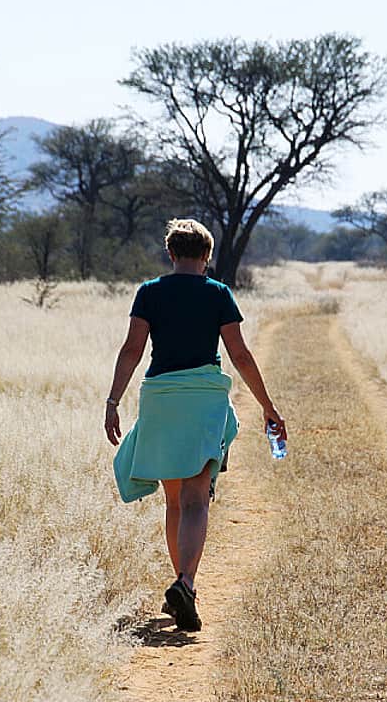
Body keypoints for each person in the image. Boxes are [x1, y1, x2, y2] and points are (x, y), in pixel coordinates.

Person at [105, 219, 286, 632]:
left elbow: (133, 349)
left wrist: (113, 401)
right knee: (196, 500)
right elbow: (239, 354)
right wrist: (267, 406)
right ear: (207, 255)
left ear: (171, 254)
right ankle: (186, 582)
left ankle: (183, 585)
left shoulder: (149, 292)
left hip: (161, 398)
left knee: (174, 502)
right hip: (204, 397)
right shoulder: (218, 293)